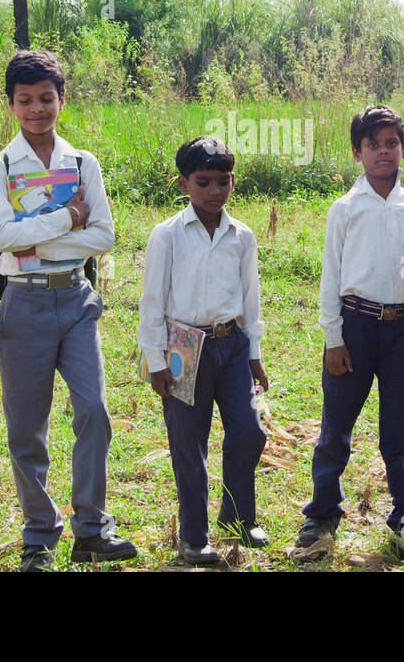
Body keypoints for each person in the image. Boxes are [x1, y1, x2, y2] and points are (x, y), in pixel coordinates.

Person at [0, 49, 135, 570]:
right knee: (27, 425)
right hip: (23, 303)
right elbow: (0, 237)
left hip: (75, 299)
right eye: (25, 101)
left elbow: (105, 235)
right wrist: (69, 218)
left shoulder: (82, 163)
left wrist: (37, 240)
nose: (37, 109)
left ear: (61, 100)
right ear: (11, 105)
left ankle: (92, 527)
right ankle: (40, 532)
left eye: (46, 98)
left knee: (93, 411)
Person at [297, 104, 404, 556]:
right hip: (356, 326)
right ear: (356, 152)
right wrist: (334, 338)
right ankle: (322, 513)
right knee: (336, 425)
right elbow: (331, 275)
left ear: (403, 149)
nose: (383, 152)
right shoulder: (345, 210)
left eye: (391, 144)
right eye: (373, 145)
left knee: (398, 429)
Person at [138, 135, 270, 566]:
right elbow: (153, 302)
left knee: (249, 431)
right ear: (183, 185)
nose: (215, 190)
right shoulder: (168, 236)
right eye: (204, 181)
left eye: (224, 181)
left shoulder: (241, 236)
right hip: (184, 347)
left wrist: (253, 353)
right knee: (188, 443)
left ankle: (238, 518)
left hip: (230, 343)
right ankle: (194, 536)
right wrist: (156, 361)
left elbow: (250, 299)